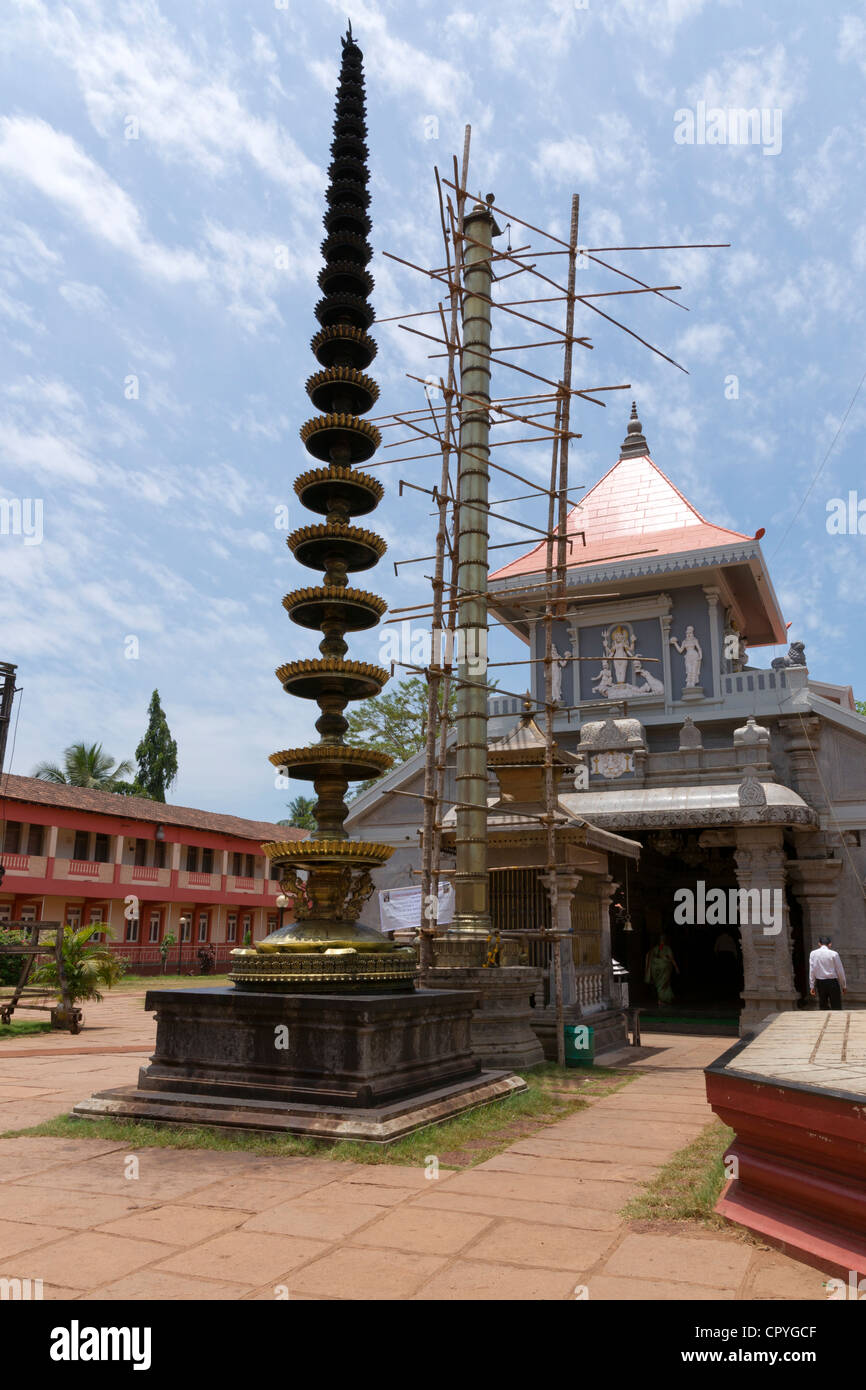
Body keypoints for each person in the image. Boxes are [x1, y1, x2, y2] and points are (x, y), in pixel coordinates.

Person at [808, 934, 847, 1010]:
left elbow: (812, 970)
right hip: (833, 982)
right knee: (836, 1006)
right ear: (830, 944)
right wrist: (843, 985)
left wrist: (812, 985)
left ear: (819, 944)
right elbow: (840, 970)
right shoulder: (834, 954)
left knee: (823, 1005)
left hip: (820, 983)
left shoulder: (813, 954)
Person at [645, 934, 678, 1006]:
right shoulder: (663, 949)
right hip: (662, 970)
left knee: (662, 985)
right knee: (662, 985)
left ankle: (663, 1000)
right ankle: (661, 1000)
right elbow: (671, 959)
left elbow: (649, 957)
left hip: (658, 970)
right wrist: (676, 967)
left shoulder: (656, 949)